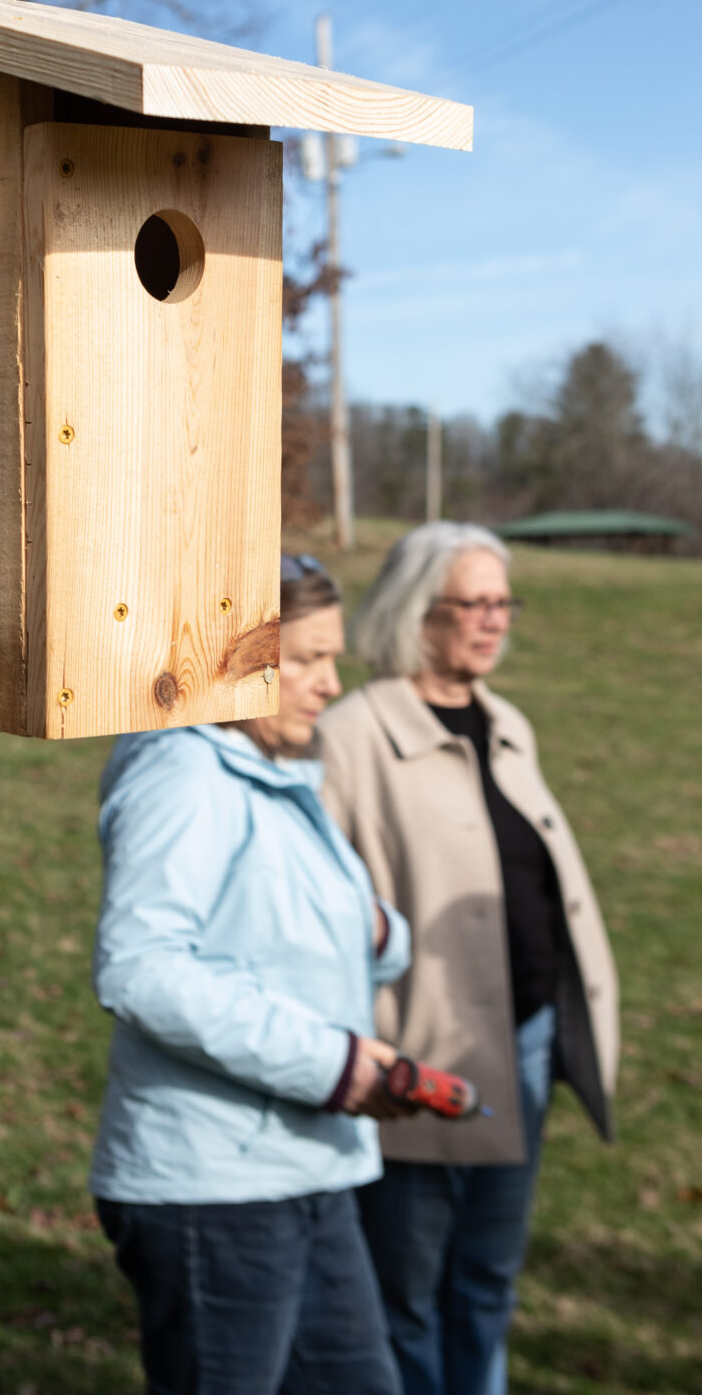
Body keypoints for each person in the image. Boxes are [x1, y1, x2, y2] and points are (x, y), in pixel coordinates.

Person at [90, 554, 412, 1395]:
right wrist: (335, 1066)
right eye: (305, 659)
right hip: (214, 1188)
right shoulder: (181, 774)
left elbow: (298, 929)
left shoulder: (272, 772)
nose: (330, 683)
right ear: (234, 660)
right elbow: (141, 968)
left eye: (330, 658)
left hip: (309, 1167)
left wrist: (373, 929)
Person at [318, 522, 618, 1395]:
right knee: (405, 1296)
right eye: (473, 604)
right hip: (419, 1055)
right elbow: (321, 910)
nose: (494, 621)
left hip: (524, 1042)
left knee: (486, 1279)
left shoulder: (506, 722)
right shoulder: (353, 735)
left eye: (502, 603)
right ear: (417, 610)